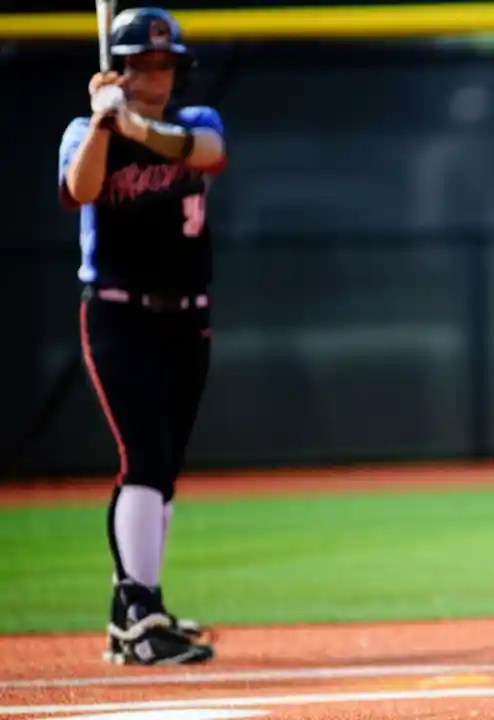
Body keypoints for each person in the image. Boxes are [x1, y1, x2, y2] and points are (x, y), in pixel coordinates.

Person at [58, 6, 227, 665]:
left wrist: (131, 122)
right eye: (142, 63)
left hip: (188, 315)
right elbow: (80, 188)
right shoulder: (86, 130)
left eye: (164, 63)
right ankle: (141, 610)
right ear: (121, 68)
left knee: (166, 469)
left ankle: (130, 612)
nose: (155, 73)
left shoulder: (195, 123)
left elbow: (209, 156)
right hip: (119, 313)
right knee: (144, 459)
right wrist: (106, 122)